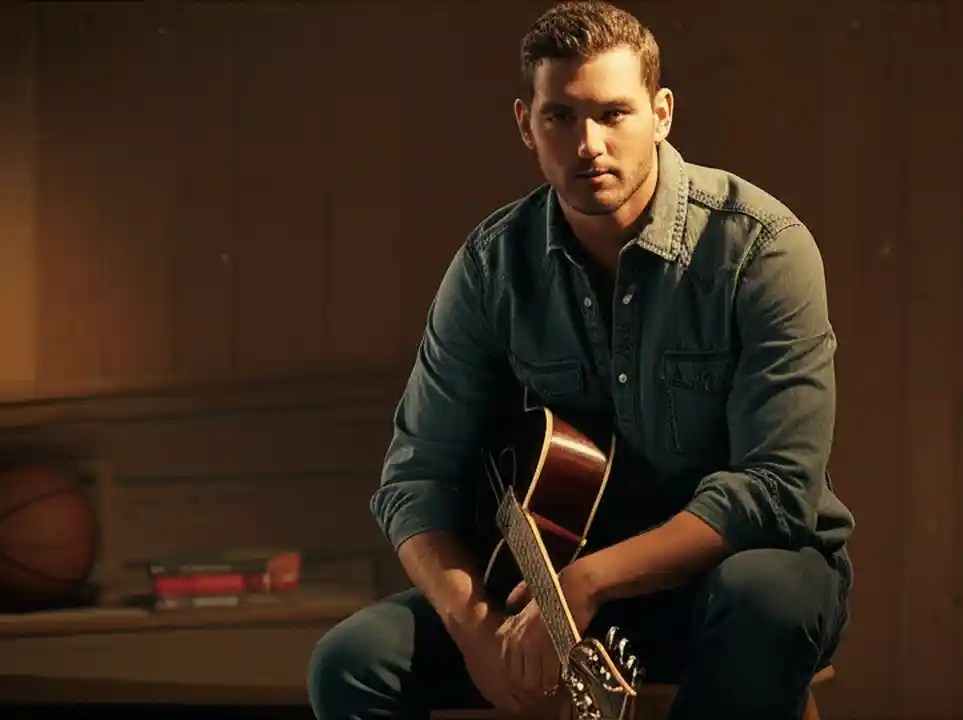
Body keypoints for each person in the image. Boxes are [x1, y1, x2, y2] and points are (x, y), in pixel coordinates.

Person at [307, 2, 855, 718]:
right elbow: (415, 480)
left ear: (660, 114)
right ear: (524, 125)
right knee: (349, 662)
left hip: (724, 583)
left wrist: (592, 580)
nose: (589, 143)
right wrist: (476, 632)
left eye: (613, 113)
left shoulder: (760, 247)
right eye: (560, 117)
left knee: (767, 597)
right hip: (549, 593)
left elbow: (776, 488)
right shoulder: (490, 265)